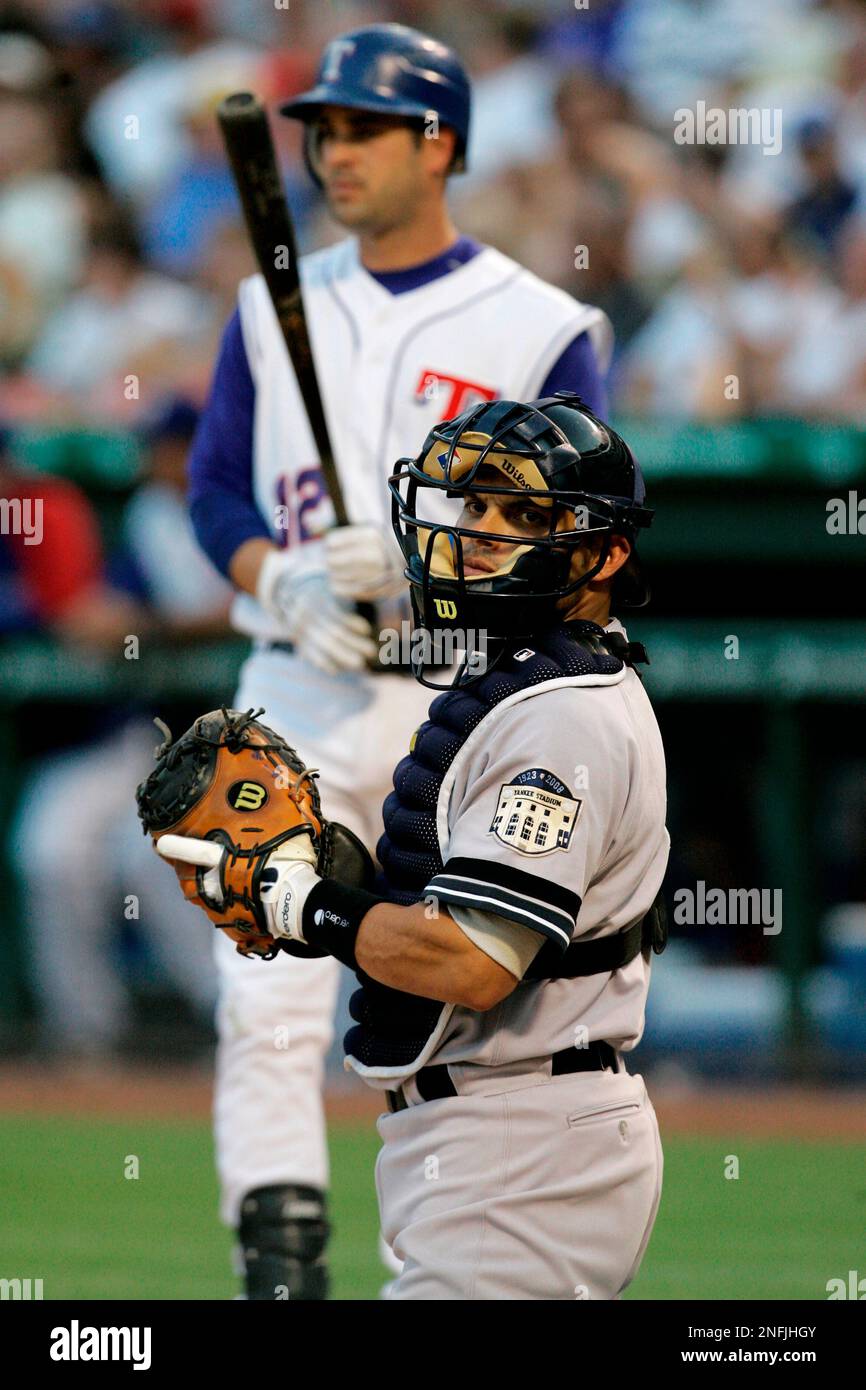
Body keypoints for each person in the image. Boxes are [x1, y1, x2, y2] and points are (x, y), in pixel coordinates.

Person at [187, 21, 614, 1299]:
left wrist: (435, 566)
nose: (332, 152)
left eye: (363, 127)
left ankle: (459, 1268)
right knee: (260, 997)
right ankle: (282, 1273)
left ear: (440, 144)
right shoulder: (271, 308)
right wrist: (285, 573)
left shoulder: (538, 323)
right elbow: (217, 493)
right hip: (300, 678)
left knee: (452, 1008)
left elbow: (590, 520)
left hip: (460, 695)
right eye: (321, 130)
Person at [160, 392, 670, 1300]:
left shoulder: (562, 719)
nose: (480, 532)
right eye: (471, 506)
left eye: (524, 513)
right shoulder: (528, 687)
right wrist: (340, 878)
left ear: (605, 551)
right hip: (504, 1142)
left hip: (524, 1147)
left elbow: (473, 961)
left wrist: (305, 904)